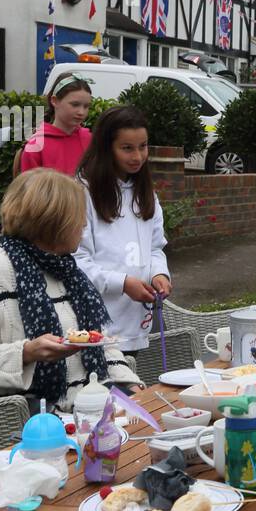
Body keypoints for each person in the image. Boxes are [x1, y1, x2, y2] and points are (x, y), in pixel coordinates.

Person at [0, 169, 142, 413]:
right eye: (78, 216)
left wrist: (128, 389)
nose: (83, 224)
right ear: (52, 222)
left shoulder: (68, 271)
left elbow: (100, 345)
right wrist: (26, 353)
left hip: (82, 407)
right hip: (17, 417)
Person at [72, 105, 171, 356]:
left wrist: (160, 274)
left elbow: (155, 247)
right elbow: (76, 260)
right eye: (127, 148)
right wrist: (122, 283)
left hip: (134, 322)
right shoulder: (83, 192)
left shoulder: (145, 192)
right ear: (106, 148)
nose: (137, 156)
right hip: (94, 326)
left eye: (143, 146)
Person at [19, 73, 93, 176]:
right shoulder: (35, 146)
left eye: (86, 106)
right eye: (75, 105)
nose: (81, 112)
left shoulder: (89, 139)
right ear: (54, 101)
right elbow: (31, 190)